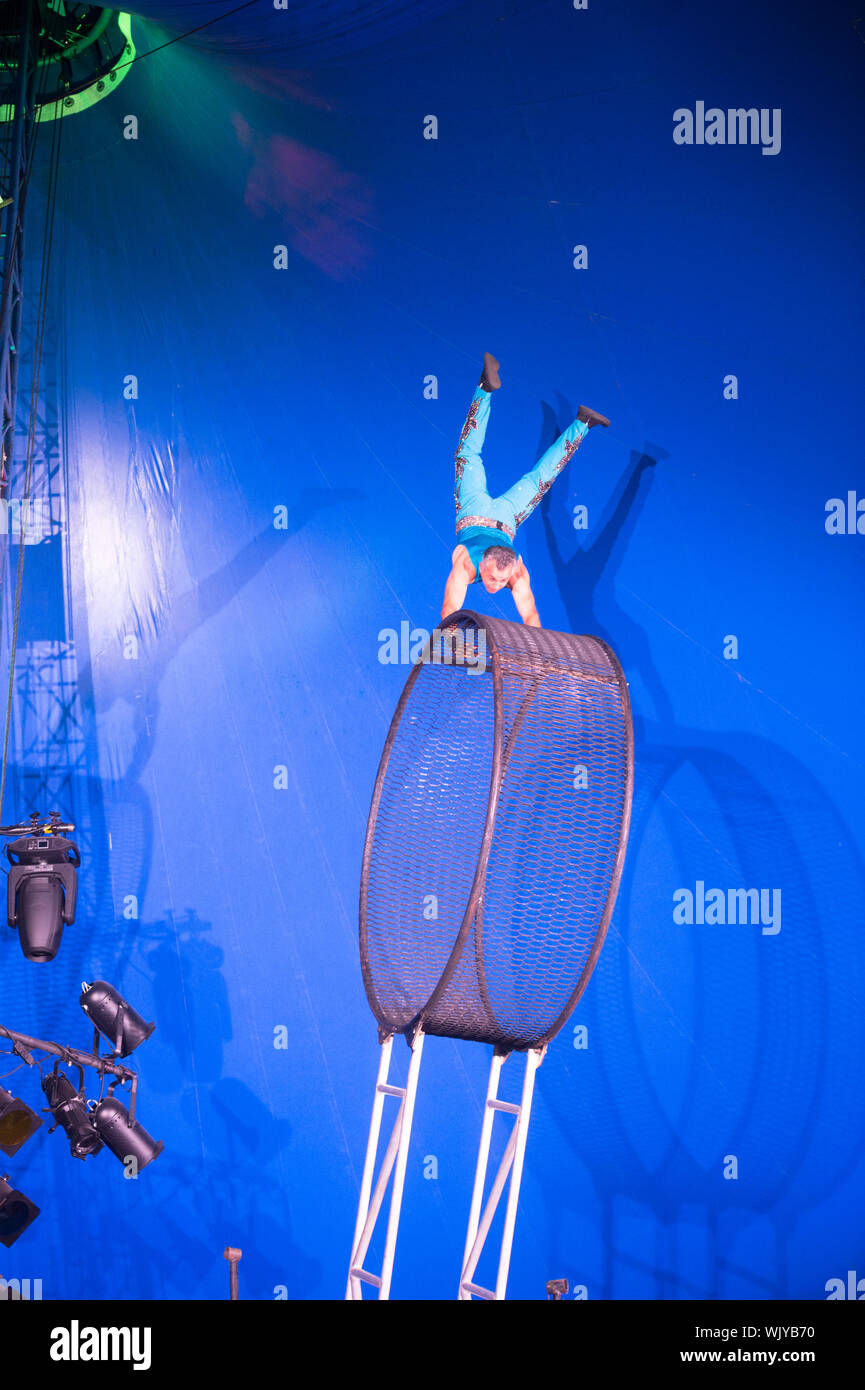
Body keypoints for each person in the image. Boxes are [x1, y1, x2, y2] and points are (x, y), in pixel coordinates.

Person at [441, 353, 609, 626]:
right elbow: (452, 605)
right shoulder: (467, 565)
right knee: (477, 457)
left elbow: (529, 613)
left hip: (488, 514)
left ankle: (582, 422)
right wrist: (452, 638)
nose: (496, 585)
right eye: (495, 577)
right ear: (482, 563)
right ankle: (580, 422)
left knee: (479, 459)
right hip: (494, 515)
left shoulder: (513, 572)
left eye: (501, 579)